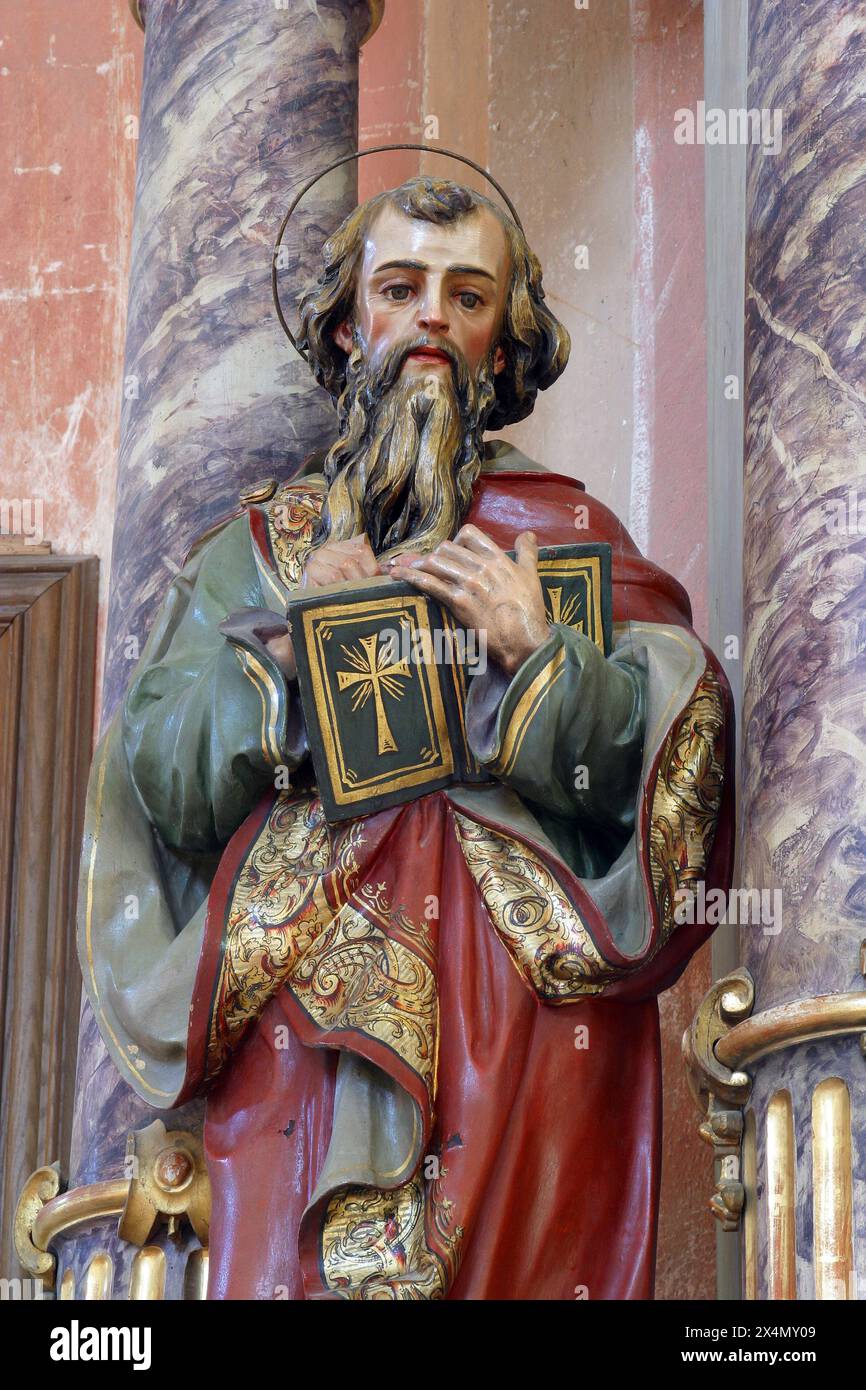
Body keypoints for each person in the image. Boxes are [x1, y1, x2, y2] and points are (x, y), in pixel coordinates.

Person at [78, 176, 734, 1299]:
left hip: (521, 1027)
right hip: (300, 1035)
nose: (433, 316)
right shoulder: (253, 552)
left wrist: (541, 655)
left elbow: (672, 764)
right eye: (401, 288)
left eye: (467, 295)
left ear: (501, 340)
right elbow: (160, 782)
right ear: (350, 325)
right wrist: (284, 657)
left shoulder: (570, 536)